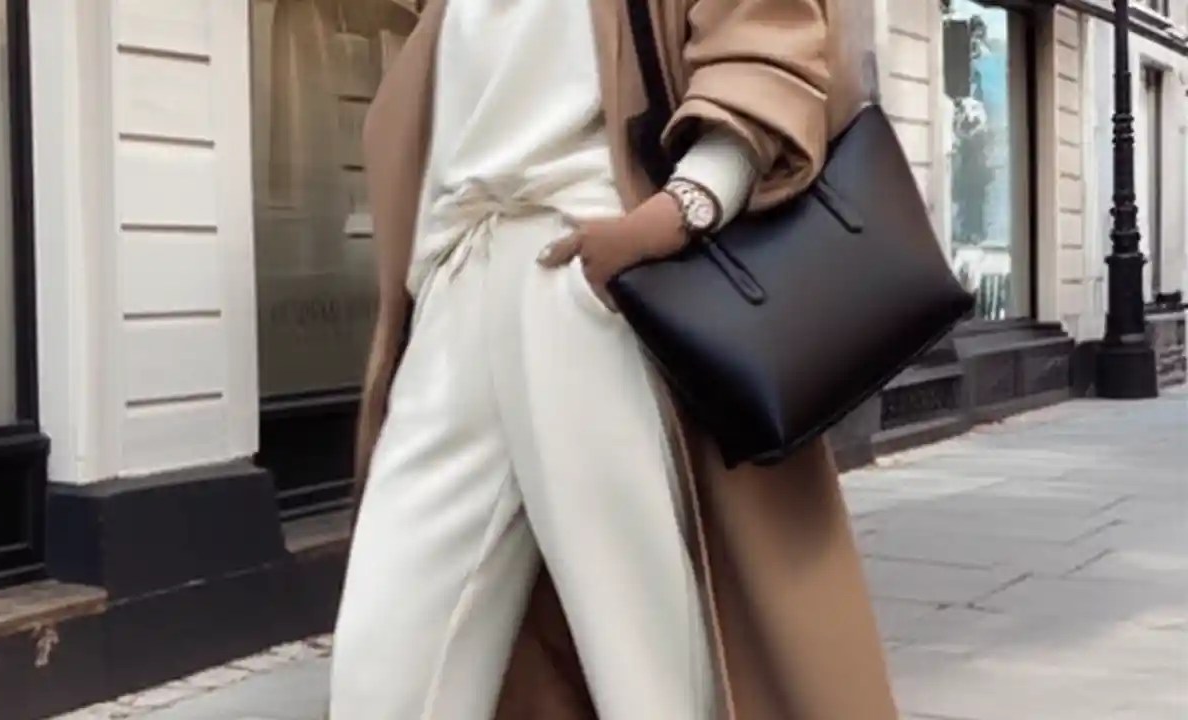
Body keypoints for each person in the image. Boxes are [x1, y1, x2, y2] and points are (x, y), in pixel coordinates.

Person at [329, 1, 899, 718]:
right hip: (455, 281)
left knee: (640, 654)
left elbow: (763, 45)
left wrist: (676, 211)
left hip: (585, 281)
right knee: (387, 659)